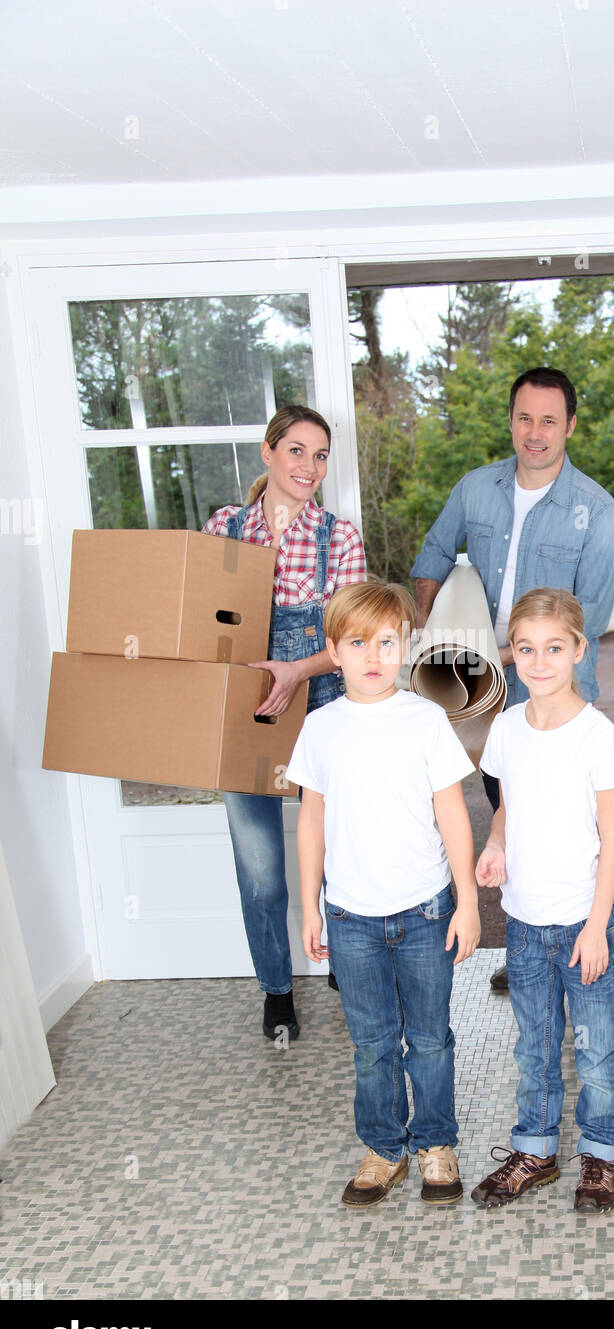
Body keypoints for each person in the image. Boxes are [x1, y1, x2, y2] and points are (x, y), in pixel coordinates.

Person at [410, 366, 614, 992]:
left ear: (570, 426)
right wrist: (430, 635)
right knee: (503, 815)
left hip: (548, 687)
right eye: (525, 418)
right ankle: (526, 947)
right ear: (510, 420)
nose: (535, 432)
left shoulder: (596, 510)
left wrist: (510, 655)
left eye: (549, 420)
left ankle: (586, 936)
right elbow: (431, 556)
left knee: (567, 827)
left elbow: (594, 615)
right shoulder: (476, 489)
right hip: (472, 687)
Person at [287, 580, 481, 1207]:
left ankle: (435, 1144)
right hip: (351, 918)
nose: (374, 655)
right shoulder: (319, 728)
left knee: (429, 1037)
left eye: (388, 642)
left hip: (426, 909)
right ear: (333, 651)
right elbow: (311, 821)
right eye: (358, 643)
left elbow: (453, 814)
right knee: (372, 1044)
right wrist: (309, 905)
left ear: (406, 647)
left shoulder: (425, 720)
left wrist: (469, 902)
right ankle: (382, 1148)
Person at [203, 405, 365, 1043]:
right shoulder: (224, 527)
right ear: (268, 452)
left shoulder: (338, 537)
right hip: (242, 705)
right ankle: (276, 989)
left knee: (334, 850)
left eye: (320, 455)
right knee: (262, 864)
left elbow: (351, 638)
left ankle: (342, 965)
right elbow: (203, 619)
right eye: (297, 451)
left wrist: (296, 669)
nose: (309, 466)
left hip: (320, 696)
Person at [471, 587, 614, 1214]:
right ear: (512, 653)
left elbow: (613, 840)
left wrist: (596, 927)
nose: (539, 663)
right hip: (525, 924)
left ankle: (603, 1156)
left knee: (595, 1049)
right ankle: (534, 1149)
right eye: (527, 649)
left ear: (578, 651)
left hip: (584, 925)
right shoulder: (505, 729)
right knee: (534, 1047)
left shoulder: (599, 736)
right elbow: (508, 805)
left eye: (554, 649)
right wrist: (495, 845)